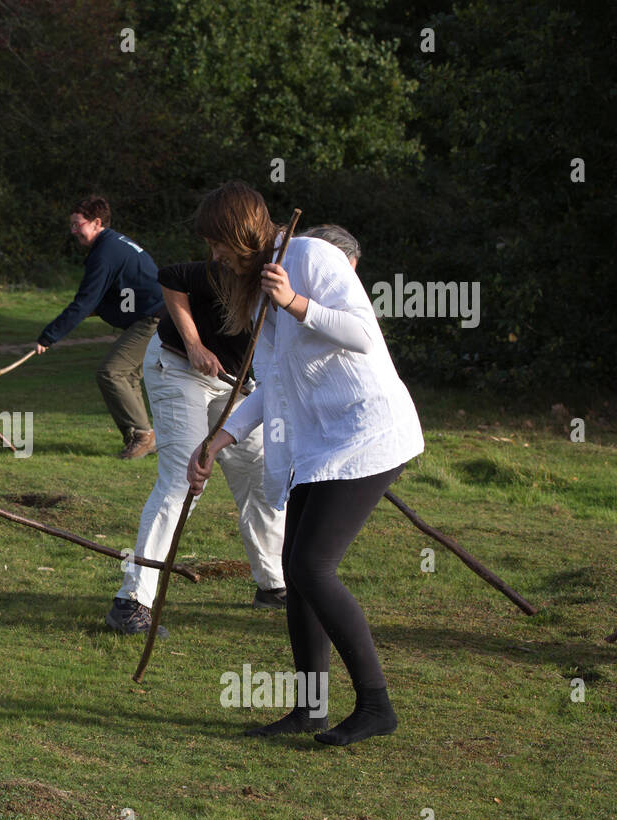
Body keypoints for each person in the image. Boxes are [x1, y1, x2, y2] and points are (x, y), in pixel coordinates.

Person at [187, 183, 423, 746]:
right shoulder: (255, 288)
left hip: (367, 432)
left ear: (243, 231)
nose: (214, 256)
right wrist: (220, 438)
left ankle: (375, 706)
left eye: (219, 243)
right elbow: (273, 385)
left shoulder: (311, 258)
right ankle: (309, 710)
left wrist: (296, 302)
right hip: (318, 444)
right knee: (296, 571)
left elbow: (364, 335)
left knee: (314, 567)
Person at [107, 258, 287, 637]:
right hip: (176, 367)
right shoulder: (235, 267)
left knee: (261, 474)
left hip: (235, 383)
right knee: (182, 482)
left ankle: (273, 586)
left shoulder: (294, 293)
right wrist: (194, 344)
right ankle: (132, 602)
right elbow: (170, 277)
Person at [35, 196, 166, 460]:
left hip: (156, 317)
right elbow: (110, 293)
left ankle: (142, 436)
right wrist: (95, 308)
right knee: (124, 375)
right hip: (154, 314)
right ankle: (141, 437)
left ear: (96, 223)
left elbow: (85, 301)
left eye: (77, 225)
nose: (73, 231)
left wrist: (49, 337)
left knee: (111, 372)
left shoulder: (105, 252)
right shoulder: (111, 244)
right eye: (71, 225)